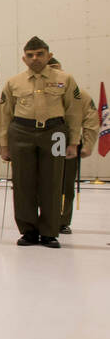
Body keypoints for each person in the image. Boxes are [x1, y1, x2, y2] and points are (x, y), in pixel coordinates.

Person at [0, 37, 82, 248]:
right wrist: (5, 145)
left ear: (49, 55)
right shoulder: (13, 82)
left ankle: (49, 232)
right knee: (23, 183)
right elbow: (5, 115)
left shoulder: (65, 79)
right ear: (24, 58)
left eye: (39, 54)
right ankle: (28, 232)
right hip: (21, 132)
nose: (35, 58)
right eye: (30, 55)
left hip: (56, 133)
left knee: (53, 182)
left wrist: (73, 142)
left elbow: (73, 112)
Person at [44, 57, 98, 234]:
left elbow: (91, 120)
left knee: (65, 184)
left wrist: (87, 145)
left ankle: (62, 220)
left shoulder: (78, 94)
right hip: (42, 142)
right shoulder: (36, 93)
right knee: (42, 183)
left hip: (68, 143)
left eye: (57, 69)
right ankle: (43, 219)